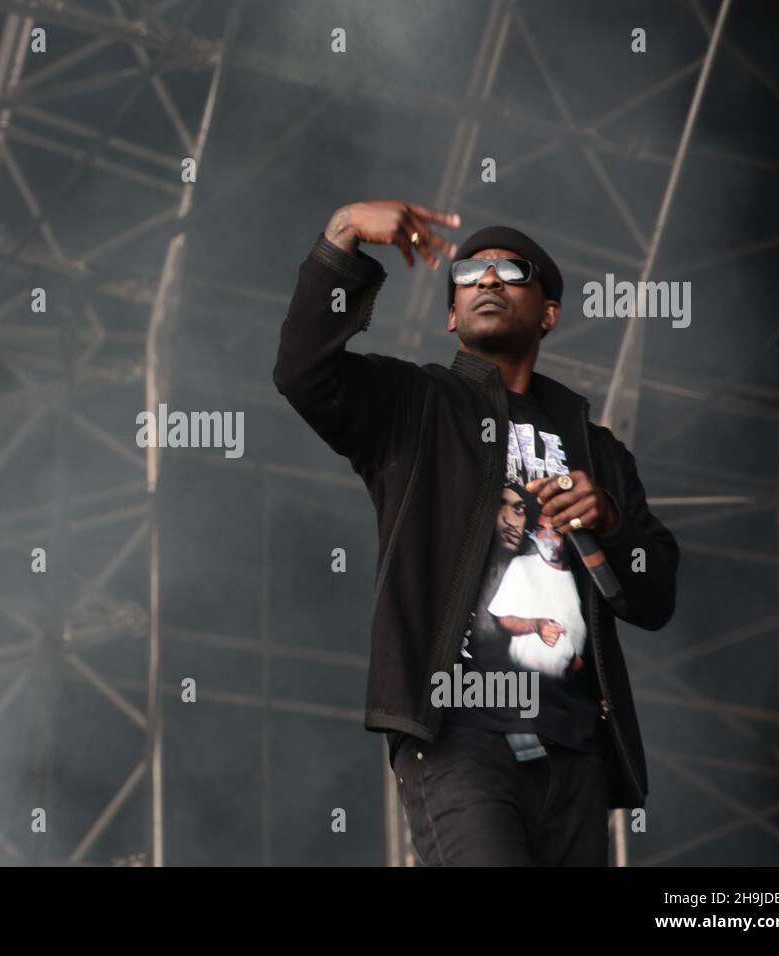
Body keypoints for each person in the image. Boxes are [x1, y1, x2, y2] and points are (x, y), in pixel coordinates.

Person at [272, 199, 680, 865]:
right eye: (468, 272)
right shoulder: (414, 405)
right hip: (459, 734)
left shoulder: (598, 450)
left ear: (548, 313)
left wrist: (609, 520)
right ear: (451, 316)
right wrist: (343, 235)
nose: (487, 278)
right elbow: (301, 372)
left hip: (576, 748)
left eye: (511, 270)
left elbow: (654, 597)